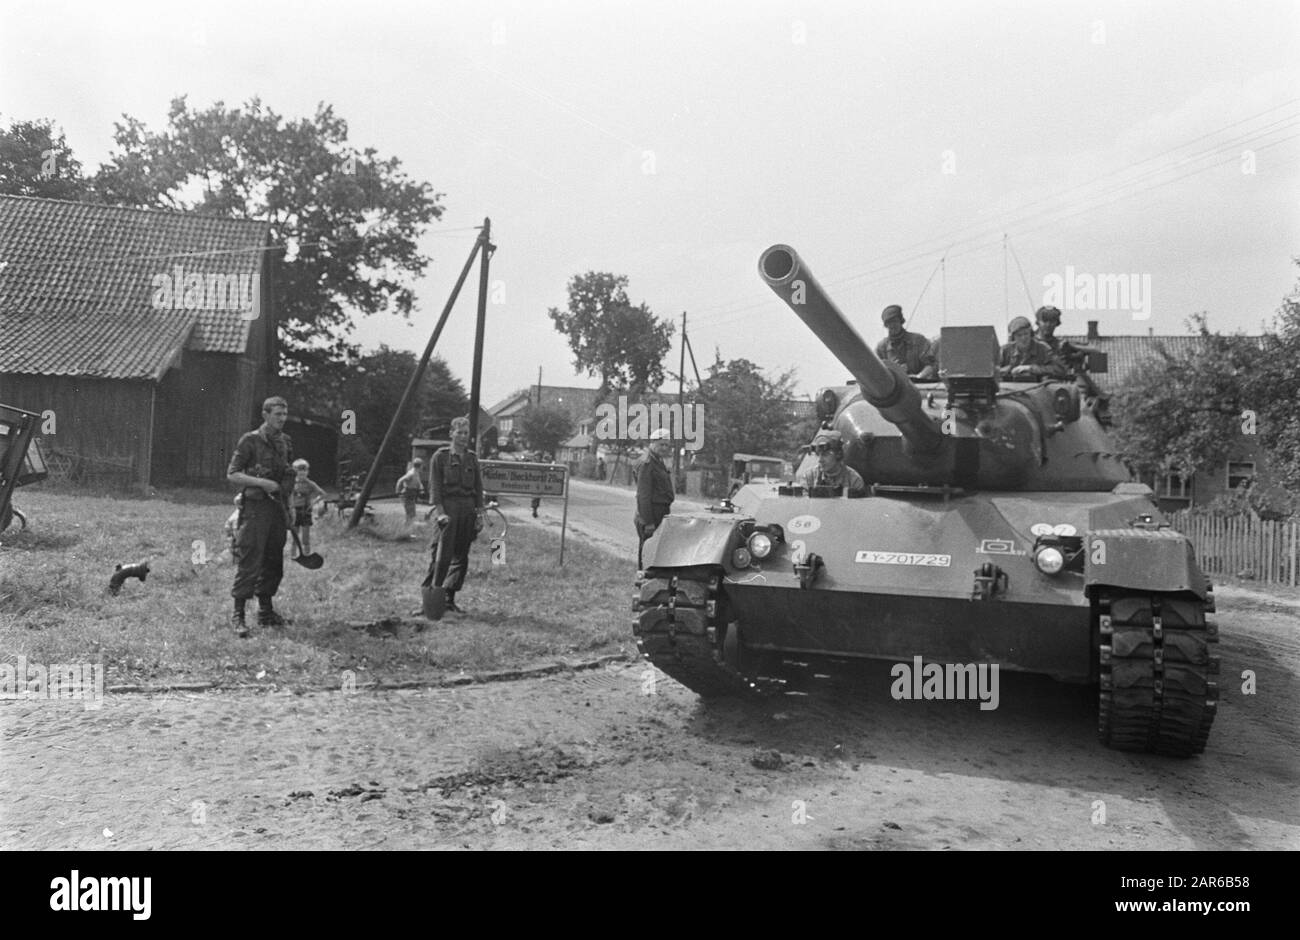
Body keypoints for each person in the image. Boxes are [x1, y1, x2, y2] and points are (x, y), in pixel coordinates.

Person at [226, 396, 296, 637]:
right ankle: (238, 616)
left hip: (278, 509)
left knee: (274, 561)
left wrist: (291, 508)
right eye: (278, 414)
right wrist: (262, 483)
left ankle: (265, 612)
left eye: (284, 415)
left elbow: (288, 475)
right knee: (250, 561)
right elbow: (233, 474)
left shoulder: (285, 442)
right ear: (265, 415)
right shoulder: (250, 441)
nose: (282, 419)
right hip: (255, 510)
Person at [422, 416, 485, 614]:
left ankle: (449, 598)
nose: (463, 437)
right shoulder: (440, 457)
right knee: (441, 555)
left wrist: (479, 514)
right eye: (460, 433)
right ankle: (431, 601)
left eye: (466, 433)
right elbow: (436, 488)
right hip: (448, 509)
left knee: (461, 556)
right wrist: (440, 513)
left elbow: (478, 487)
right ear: (451, 434)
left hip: (467, 508)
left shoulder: (472, 458)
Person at [634, 428, 674, 566]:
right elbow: (643, 496)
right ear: (652, 443)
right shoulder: (647, 463)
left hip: (660, 512)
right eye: (661, 444)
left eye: (667, 445)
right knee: (647, 550)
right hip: (651, 514)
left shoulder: (657, 460)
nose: (664, 448)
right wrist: (648, 521)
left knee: (656, 551)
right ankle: (643, 580)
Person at [874, 304, 937, 380]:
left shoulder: (918, 340)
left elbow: (931, 365)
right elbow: (875, 371)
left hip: (917, 386)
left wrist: (919, 377)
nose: (893, 325)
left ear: (901, 321)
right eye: (889, 323)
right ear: (886, 325)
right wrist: (893, 370)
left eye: (895, 321)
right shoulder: (881, 347)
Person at [999, 315, 1068, 380]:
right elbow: (992, 371)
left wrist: (1030, 368)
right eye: (1019, 335)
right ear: (1013, 337)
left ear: (1031, 333)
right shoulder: (1005, 350)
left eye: (1026, 333)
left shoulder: (1043, 348)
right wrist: (1007, 370)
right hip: (1009, 388)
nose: (1023, 338)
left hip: (1037, 388)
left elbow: (1060, 369)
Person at [800, 429, 867, 495]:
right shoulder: (809, 478)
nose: (820, 460)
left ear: (838, 454)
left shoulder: (853, 480)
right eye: (818, 454)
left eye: (825, 455)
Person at [289, 458, 327, 555]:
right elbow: (288, 495)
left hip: (306, 511)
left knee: (305, 537)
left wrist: (314, 502)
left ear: (307, 472)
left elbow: (323, 493)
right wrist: (290, 506)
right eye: (299, 474)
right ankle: (293, 555)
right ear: (295, 473)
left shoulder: (310, 484)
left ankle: (306, 555)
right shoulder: (292, 483)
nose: (302, 476)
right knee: (295, 535)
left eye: (304, 473)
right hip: (295, 512)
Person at [396, 458, 425, 525]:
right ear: (420, 466)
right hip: (407, 494)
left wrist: (421, 489)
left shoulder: (416, 473)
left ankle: (408, 527)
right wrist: (398, 491)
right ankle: (405, 528)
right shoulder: (411, 473)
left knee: (412, 514)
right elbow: (400, 480)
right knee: (410, 514)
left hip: (412, 494)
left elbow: (418, 482)